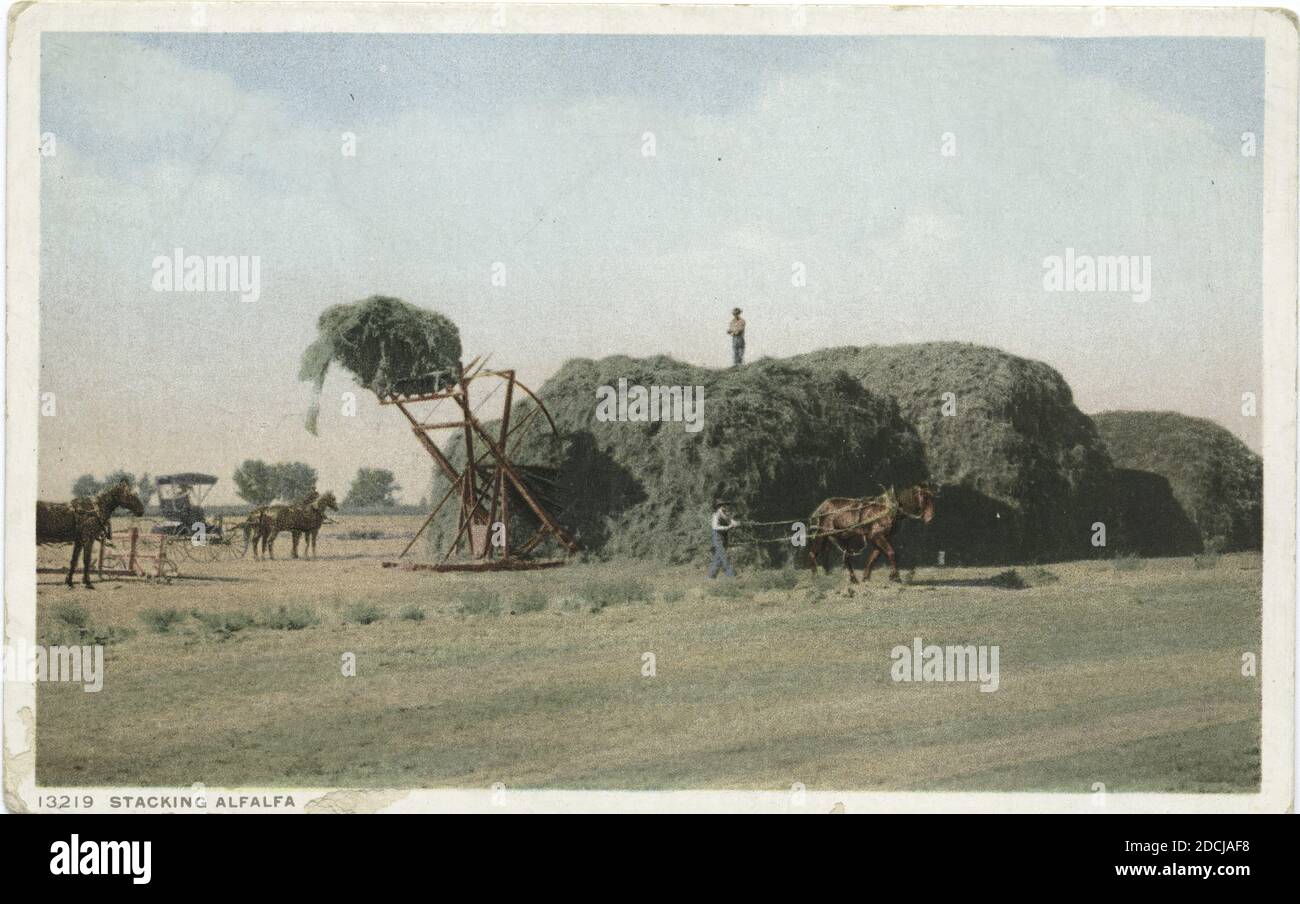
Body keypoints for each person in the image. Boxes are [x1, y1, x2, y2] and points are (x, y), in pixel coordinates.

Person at [709, 500, 739, 579]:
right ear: (718, 507)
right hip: (717, 537)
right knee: (724, 556)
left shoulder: (726, 515)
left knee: (718, 557)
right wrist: (728, 527)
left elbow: (732, 521)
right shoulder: (716, 515)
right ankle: (731, 576)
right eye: (723, 505)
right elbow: (715, 527)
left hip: (724, 537)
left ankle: (711, 577)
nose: (725, 507)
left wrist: (736, 523)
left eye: (725, 505)